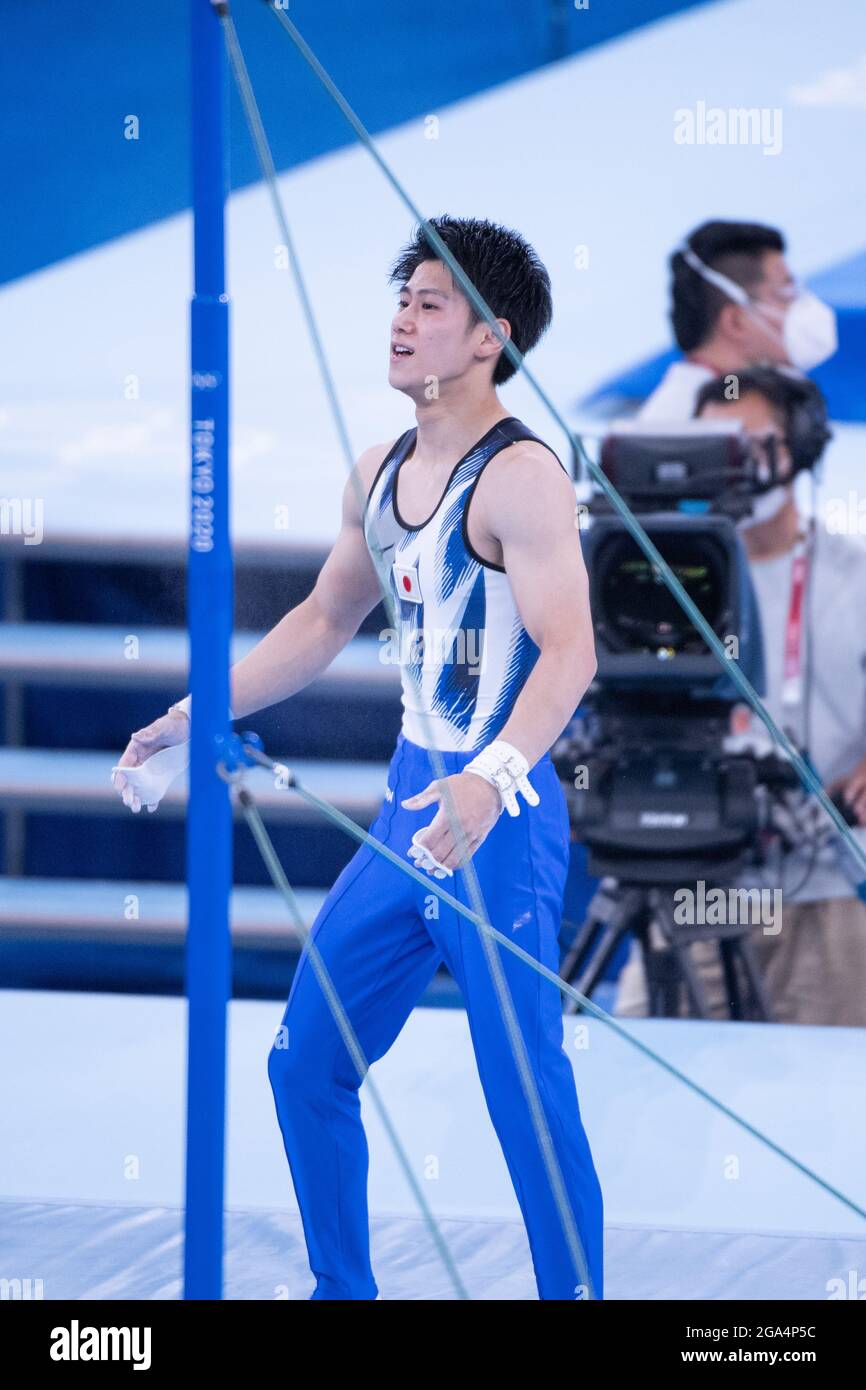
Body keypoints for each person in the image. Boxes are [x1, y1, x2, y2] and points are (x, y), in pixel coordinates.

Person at [112, 215, 604, 1300]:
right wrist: (192, 713)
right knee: (305, 1066)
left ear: (489, 337)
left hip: (497, 818)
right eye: (401, 299)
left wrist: (491, 777)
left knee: (523, 1090)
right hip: (401, 812)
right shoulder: (376, 470)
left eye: (430, 304)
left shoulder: (521, 478)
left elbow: (570, 654)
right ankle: (345, 1292)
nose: (402, 319)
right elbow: (321, 621)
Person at [615, 368, 866, 1025]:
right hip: (687, 879)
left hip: (824, 888)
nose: (740, 468)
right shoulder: (655, 574)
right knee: (647, 1070)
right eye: (721, 447)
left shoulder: (856, 574)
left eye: (755, 445)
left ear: (802, 448)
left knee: (823, 1107)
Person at [639, 219, 837, 422]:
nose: (801, 305)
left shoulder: (737, 388)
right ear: (736, 322)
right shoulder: (688, 415)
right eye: (785, 293)